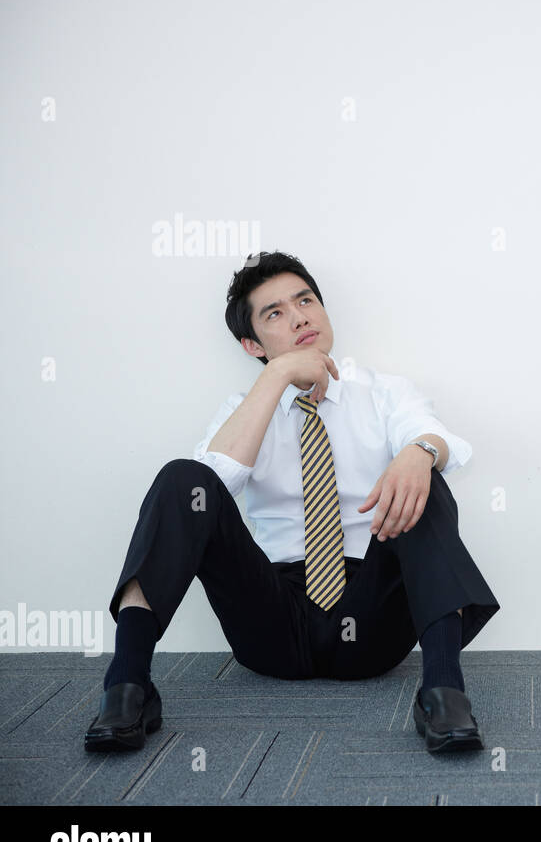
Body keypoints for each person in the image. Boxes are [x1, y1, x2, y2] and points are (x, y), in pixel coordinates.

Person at [85, 251, 500, 755]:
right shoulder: (243, 410)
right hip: (271, 622)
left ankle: (443, 694)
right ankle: (126, 688)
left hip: (369, 620)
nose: (300, 317)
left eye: (305, 301)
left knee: (421, 474)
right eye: (275, 313)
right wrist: (277, 376)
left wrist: (420, 452)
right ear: (252, 345)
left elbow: (437, 437)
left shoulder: (383, 392)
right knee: (183, 478)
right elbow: (206, 492)